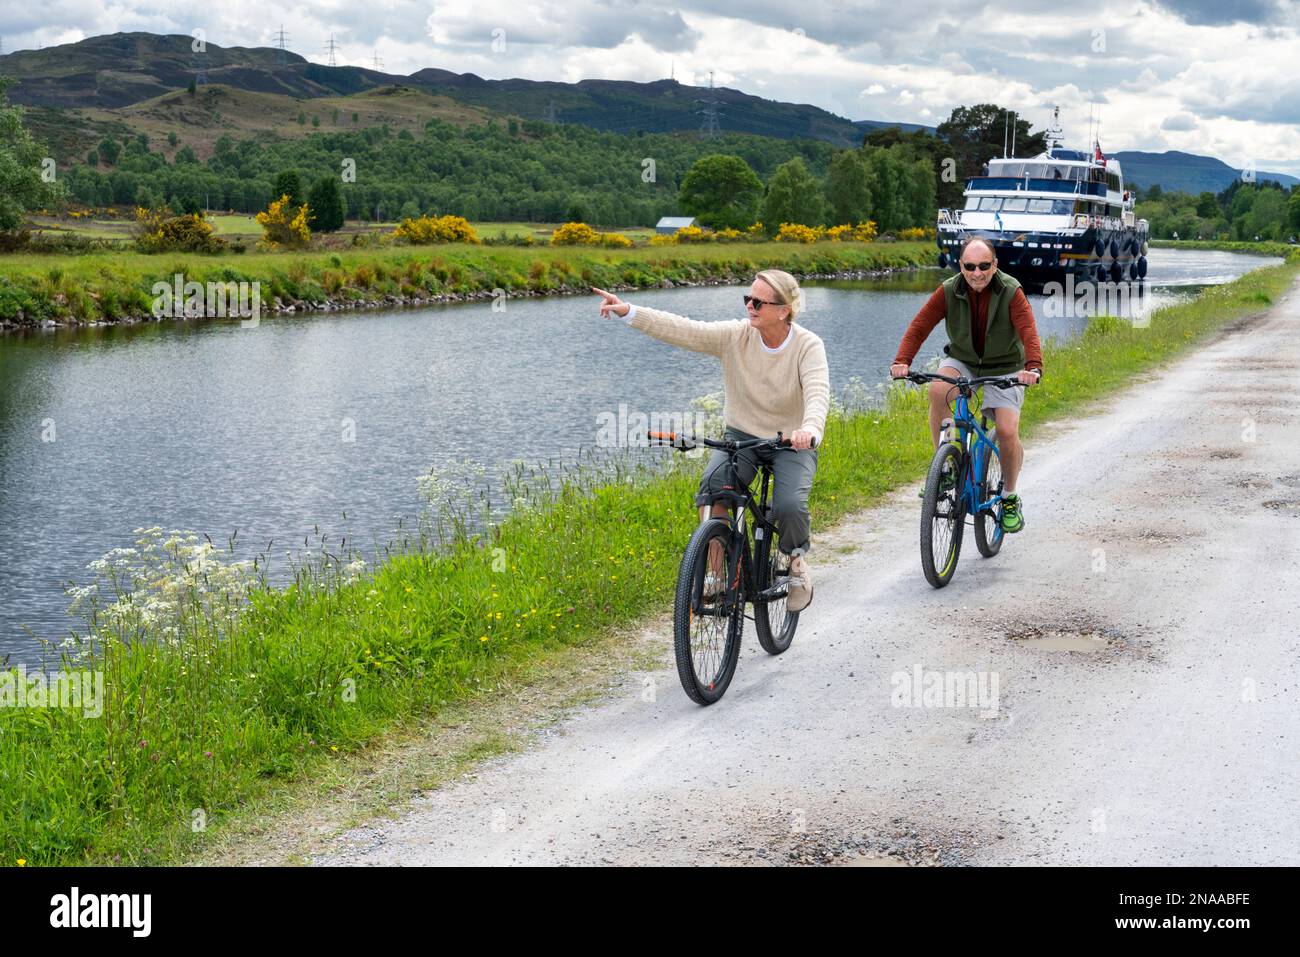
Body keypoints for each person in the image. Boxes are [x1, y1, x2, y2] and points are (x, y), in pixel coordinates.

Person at [592, 271, 828, 610]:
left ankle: (794, 562)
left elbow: (818, 393)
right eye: (747, 298)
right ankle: (716, 576)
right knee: (714, 487)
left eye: (758, 302)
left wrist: (810, 430)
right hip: (742, 436)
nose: (750, 305)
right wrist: (629, 310)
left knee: (789, 505)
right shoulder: (735, 336)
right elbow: (685, 329)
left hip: (792, 440)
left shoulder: (808, 346)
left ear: (784, 310)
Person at [889, 237, 1042, 533]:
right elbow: (920, 326)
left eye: (984, 266)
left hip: (1006, 365)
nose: (977, 273)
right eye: (970, 266)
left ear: (995, 265)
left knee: (1007, 430)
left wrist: (1032, 367)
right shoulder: (949, 289)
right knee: (937, 389)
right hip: (964, 360)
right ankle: (945, 467)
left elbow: (1027, 329)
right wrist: (902, 360)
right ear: (960, 266)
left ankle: (1009, 496)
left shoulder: (1011, 290)